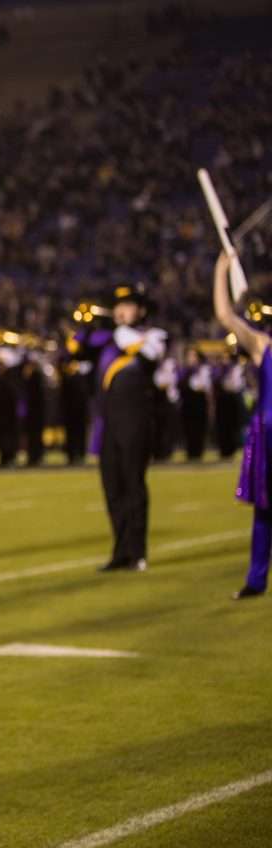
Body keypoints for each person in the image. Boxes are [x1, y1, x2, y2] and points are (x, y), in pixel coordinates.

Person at [75, 284, 166, 572]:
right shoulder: (106, 341)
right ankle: (120, 551)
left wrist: (114, 329)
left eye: (127, 306)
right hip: (107, 422)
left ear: (141, 310)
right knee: (112, 486)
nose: (120, 311)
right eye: (117, 306)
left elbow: (147, 356)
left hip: (136, 418)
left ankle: (137, 552)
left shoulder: (153, 336)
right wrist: (86, 327)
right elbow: (75, 350)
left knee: (133, 484)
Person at [213, 253, 269, 600]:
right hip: (269, 433)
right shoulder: (263, 344)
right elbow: (224, 315)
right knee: (265, 511)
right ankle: (256, 580)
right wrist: (220, 271)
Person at [179, 347, 211, 461]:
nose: (191, 358)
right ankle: (190, 452)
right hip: (188, 401)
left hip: (198, 400)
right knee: (188, 427)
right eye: (189, 356)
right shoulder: (184, 370)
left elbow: (204, 386)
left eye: (193, 356)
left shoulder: (203, 369)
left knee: (199, 427)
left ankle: (198, 452)